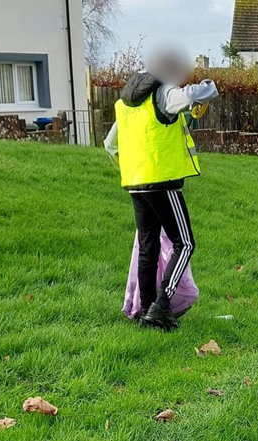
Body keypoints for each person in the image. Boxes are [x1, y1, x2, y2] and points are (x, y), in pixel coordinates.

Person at [104, 44, 218, 331]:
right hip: (163, 182)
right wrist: (209, 85)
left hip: (135, 184)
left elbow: (109, 144)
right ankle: (162, 305)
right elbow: (195, 94)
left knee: (148, 247)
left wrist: (133, 169)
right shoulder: (163, 93)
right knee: (185, 243)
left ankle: (144, 310)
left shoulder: (125, 104)